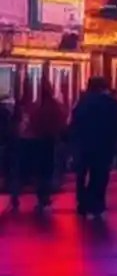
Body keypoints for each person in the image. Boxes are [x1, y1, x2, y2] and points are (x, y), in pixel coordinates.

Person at [8, 81, 67, 212]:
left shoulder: (34, 108)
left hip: (32, 141)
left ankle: (16, 197)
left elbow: (29, 124)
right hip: (49, 141)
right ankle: (43, 198)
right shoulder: (55, 107)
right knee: (46, 171)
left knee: (24, 172)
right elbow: (61, 123)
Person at [71, 76, 117, 217]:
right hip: (104, 145)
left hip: (84, 143)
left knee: (82, 174)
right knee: (100, 175)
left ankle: (83, 202)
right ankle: (97, 203)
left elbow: (75, 123)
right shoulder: (111, 103)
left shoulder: (82, 102)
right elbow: (116, 125)